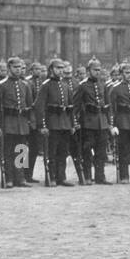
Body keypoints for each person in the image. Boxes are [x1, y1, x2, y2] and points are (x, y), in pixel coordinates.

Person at [36, 58, 78, 186]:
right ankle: (52, 177)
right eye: (57, 68)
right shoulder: (46, 85)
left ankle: (62, 177)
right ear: (51, 70)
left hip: (64, 124)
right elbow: (40, 107)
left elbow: (71, 107)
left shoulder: (65, 85)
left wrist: (72, 124)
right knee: (52, 153)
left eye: (62, 68)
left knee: (63, 152)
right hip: (52, 123)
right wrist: (42, 125)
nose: (60, 71)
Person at [0, 57, 36, 188]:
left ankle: (21, 177)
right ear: (9, 69)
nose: (18, 70)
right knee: (8, 151)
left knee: (22, 150)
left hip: (22, 122)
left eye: (20, 67)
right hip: (8, 122)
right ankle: (9, 178)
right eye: (15, 67)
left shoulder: (26, 85)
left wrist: (31, 122)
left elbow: (30, 106)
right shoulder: (2, 85)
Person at [74, 59, 113, 184]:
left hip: (102, 122)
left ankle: (100, 177)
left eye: (99, 70)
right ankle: (87, 176)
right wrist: (75, 122)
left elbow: (107, 104)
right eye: (94, 70)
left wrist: (109, 123)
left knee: (101, 152)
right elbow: (76, 106)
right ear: (88, 71)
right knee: (87, 151)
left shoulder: (103, 84)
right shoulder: (83, 86)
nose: (97, 72)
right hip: (88, 122)